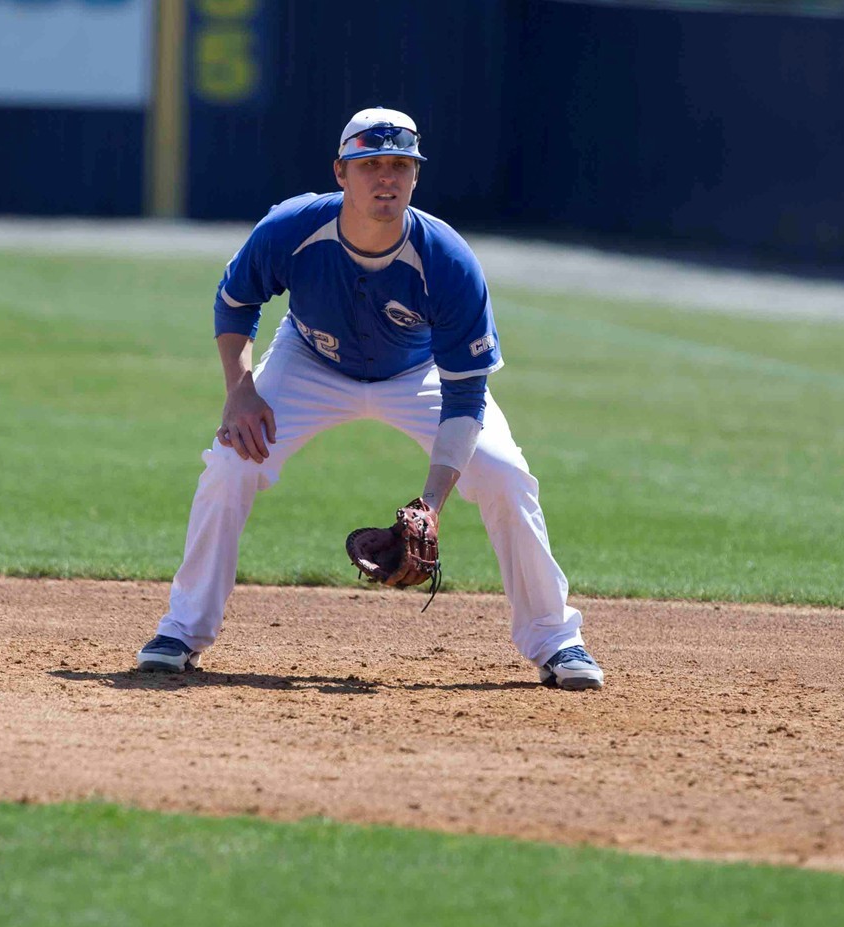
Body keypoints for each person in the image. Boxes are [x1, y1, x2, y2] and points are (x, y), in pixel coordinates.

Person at [135, 107, 603, 691]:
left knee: (505, 474)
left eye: (400, 165)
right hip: (309, 362)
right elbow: (235, 302)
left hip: (418, 372)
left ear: (415, 176)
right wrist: (240, 391)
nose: (386, 177)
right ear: (341, 172)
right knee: (230, 463)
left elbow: (466, 393)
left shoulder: (448, 261)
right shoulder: (291, 228)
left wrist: (433, 500)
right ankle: (181, 630)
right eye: (370, 165)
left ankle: (557, 641)